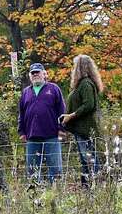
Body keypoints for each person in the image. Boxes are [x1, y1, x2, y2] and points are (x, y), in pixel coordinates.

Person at [18, 63, 65, 185]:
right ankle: (35, 195)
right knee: (32, 169)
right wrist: (21, 131)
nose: (35, 75)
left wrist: (62, 128)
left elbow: (62, 110)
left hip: (52, 135)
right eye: (33, 73)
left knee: (55, 168)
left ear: (44, 74)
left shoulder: (54, 89)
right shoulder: (26, 92)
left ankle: (55, 193)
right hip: (32, 136)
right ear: (30, 76)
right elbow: (21, 113)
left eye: (37, 72)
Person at [60, 54, 103, 186]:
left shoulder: (86, 84)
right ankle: (87, 189)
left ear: (80, 67)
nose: (73, 69)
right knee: (85, 159)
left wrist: (71, 116)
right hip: (81, 129)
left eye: (75, 66)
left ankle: (94, 187)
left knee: (89, 159)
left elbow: (89, 105)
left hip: (85, 129)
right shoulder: (82, 84)